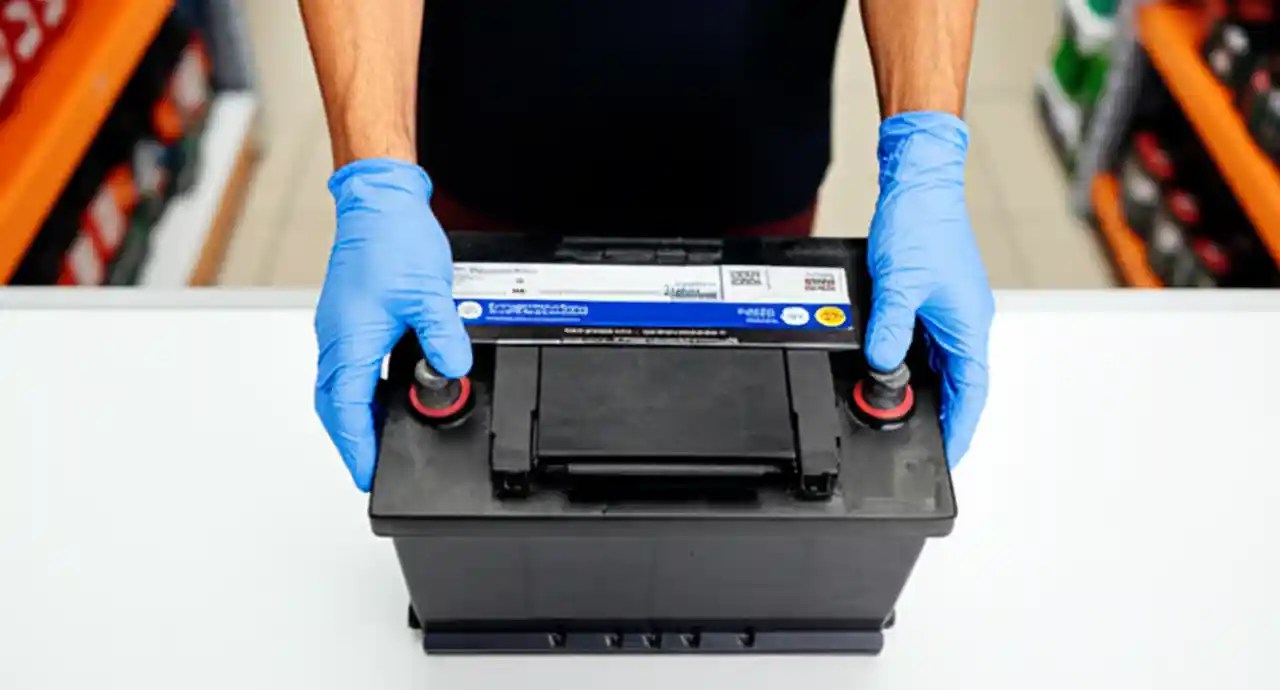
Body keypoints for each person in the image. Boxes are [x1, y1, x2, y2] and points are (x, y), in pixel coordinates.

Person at [300, 0, 995, 492]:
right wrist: (377, 179)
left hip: (751, 157)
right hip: (483, 149)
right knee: (459, 445)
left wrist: (925, 151)